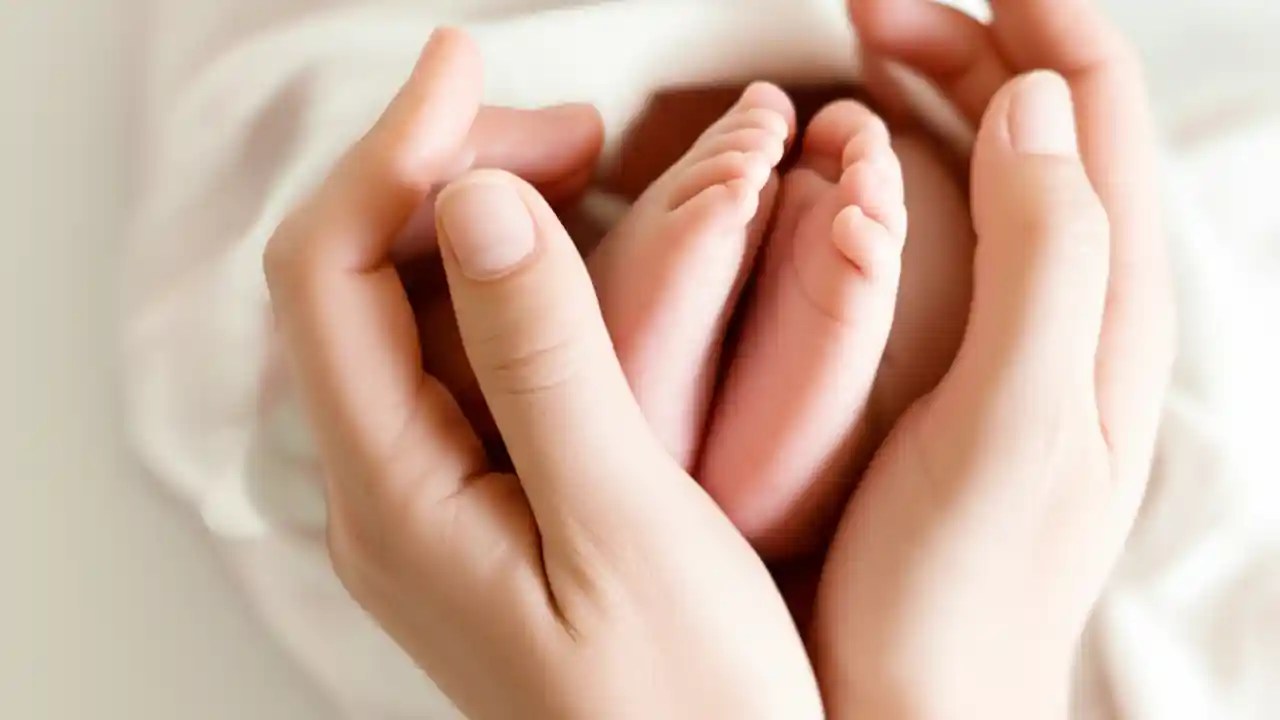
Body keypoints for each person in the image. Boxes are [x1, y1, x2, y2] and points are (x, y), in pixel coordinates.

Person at [262, 0, 1173, 717]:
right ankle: (791, 419)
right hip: (827, 564)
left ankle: (669, 390)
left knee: (471, 383)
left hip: (587, 601)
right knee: (951, 287)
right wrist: (945, 696)